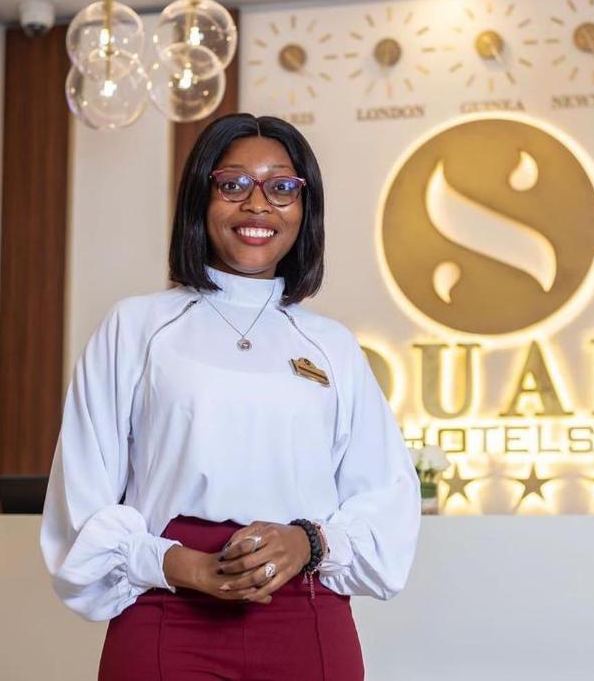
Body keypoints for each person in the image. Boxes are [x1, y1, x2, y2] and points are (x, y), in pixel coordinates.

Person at [40, 112, 421, 680]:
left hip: (303, 610)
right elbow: (82, 494)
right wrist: (180, 563)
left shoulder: (332, 346)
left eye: (282, 186)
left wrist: (307, 545)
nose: (258, 205)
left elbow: (385, 500)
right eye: (233, 183)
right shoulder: (137, 327)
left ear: (304, 207)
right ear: (202, 196)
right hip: (167, 605)